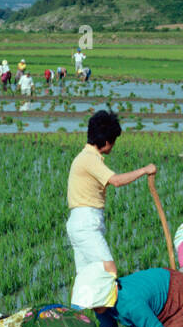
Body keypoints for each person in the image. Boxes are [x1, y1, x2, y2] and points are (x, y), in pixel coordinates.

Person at [66, 110, 158, 275]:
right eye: (114, 141)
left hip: (81, 221)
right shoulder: (89, 158)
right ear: (107, 141)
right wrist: (144, 170)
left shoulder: (86, 156)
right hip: (86, 222)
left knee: (87, 278)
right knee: (109, 270)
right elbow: (115, 180)